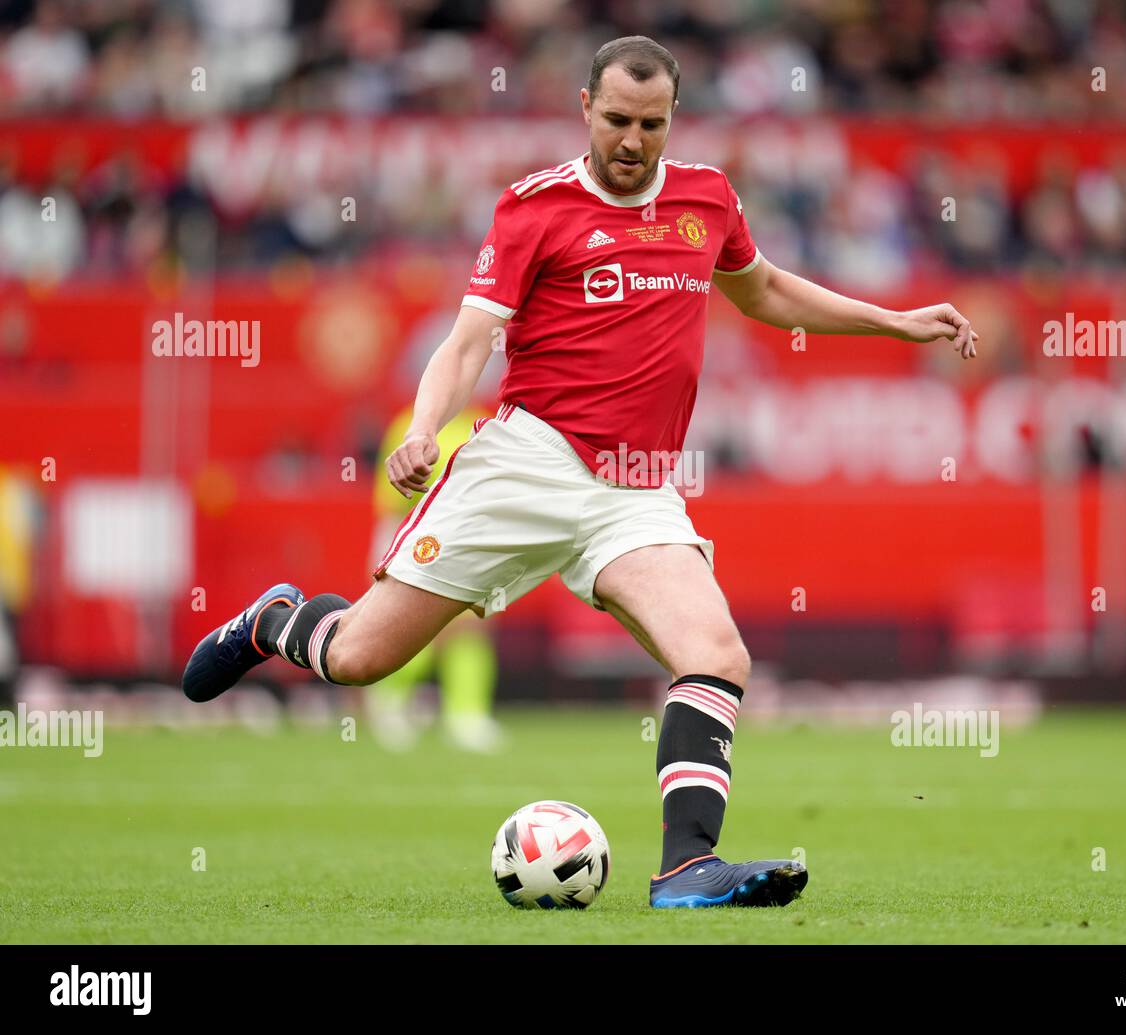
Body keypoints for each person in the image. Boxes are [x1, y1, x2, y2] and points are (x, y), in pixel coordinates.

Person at [182, 35, 977, 909]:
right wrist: (425, 425)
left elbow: (766, 292)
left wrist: (895, 323)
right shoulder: (535, 208)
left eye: (652, 123)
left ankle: (686, 869)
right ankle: (278, 621)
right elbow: (469, 340)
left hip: (637, 488)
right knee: (364, 656)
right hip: (525, 466)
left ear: (672, 118)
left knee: (716, 653)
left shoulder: (707, 199)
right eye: (617, 120)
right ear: (585, 111)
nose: (633, 141)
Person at [365, 404, 503, 753]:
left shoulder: (486, 426)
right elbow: (392, 500)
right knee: (416, 630)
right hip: (419, 546)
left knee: (471, 629)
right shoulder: (409, 428)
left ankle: (467, 716)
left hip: (470, 546)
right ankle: (389, 700)